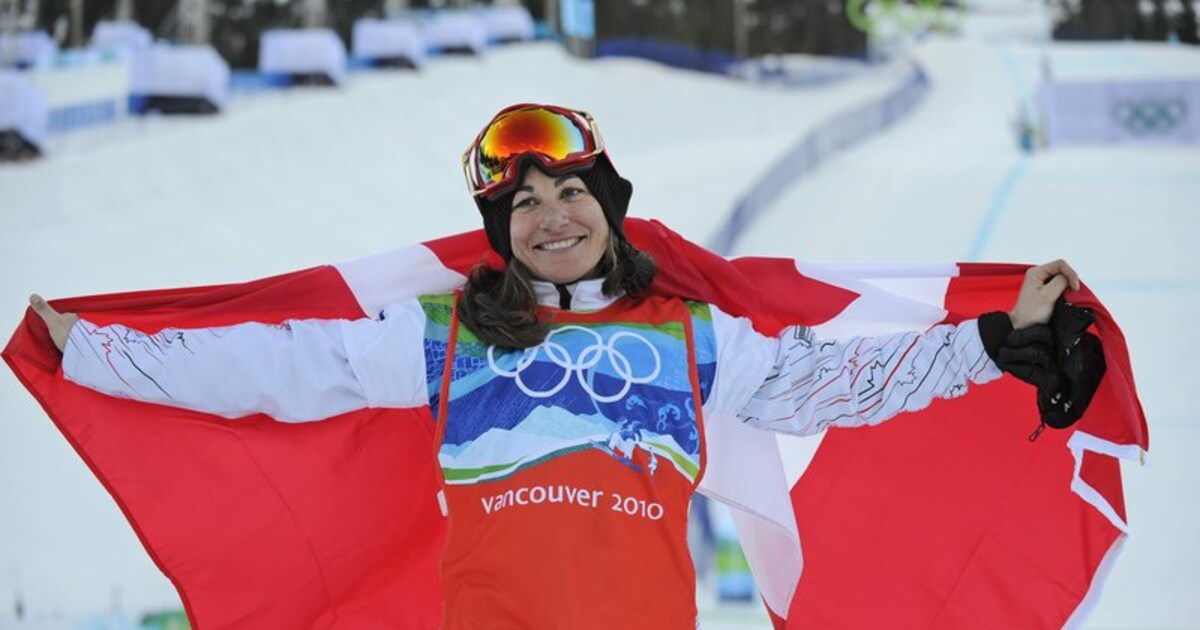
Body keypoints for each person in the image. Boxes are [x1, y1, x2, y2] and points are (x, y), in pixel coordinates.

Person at [29, 103, 1082, 629]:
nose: (548, 215)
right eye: (519, 203)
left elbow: (840, 383)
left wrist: (994, 343)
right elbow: (272, 366)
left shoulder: (696, 339)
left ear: (609, 207)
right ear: (499, 233)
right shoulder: (448, 338)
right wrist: (107, 354)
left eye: (569, 191)